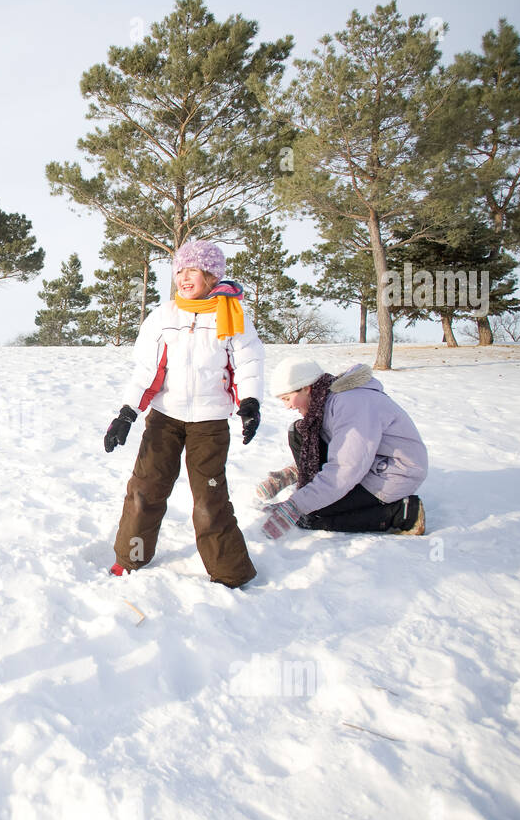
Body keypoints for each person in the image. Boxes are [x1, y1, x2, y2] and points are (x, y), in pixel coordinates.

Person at [103, 239, 264, 586]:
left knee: (210, 499)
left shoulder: (232, 315)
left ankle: (229, 572)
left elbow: (247, 363)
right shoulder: (163, 317)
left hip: (209, 423)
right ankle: (129, 557)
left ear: (210, 275)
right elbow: (147, 370)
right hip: (164, 418)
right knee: (144, 490)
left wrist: (249, 402)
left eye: (192, 271)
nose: (184, 279)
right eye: (180, 271)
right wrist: (127, 414)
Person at [257, 357, 427, 538]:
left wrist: (295, 507)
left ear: (306, 388)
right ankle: (297, 473)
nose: (287, 406)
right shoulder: (326, 400)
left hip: (394, 472)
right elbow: (338, 448)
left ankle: (402, 513)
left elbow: (345, 468)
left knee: (311, 515)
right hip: (370, 463)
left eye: (287, 398)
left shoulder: (351, 405)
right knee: (300, 431)